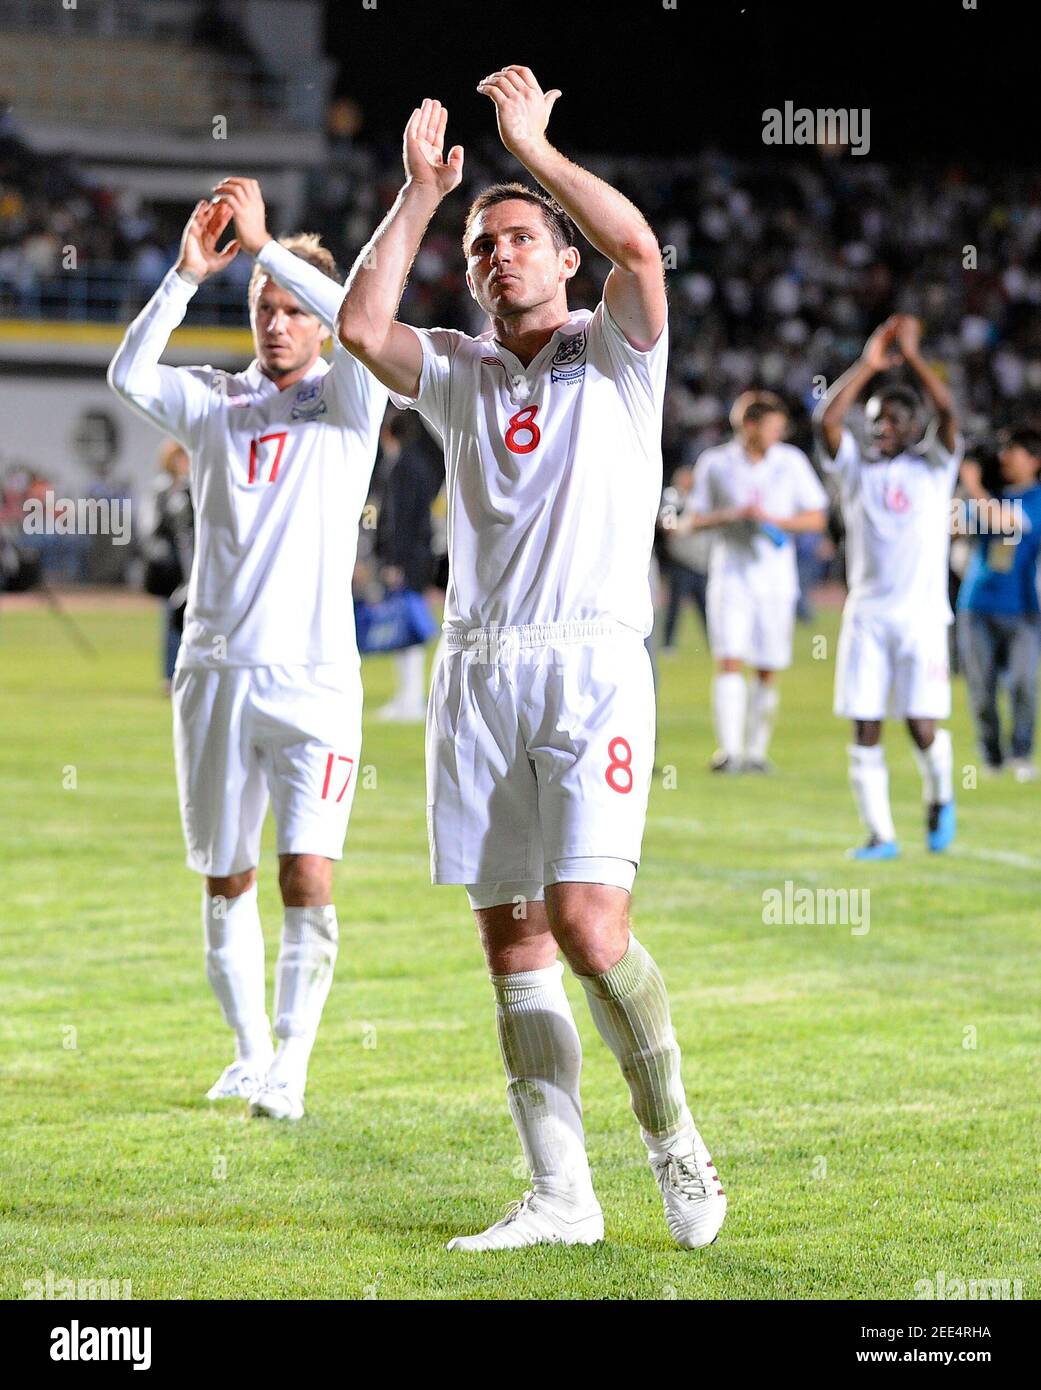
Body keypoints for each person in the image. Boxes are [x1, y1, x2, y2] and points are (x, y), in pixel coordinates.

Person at [336, 71, 726, 1252]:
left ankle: (674, 1142)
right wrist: (418, 196)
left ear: (563, 260)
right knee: (511, 942)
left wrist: (534, 153)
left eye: (521, 239)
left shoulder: (617, 354)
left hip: (593, 662)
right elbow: (359, 326)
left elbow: (643, 248)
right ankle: (563, 1194)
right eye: (484, 243)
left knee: (589, 928)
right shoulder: (456, 367)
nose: (501, 255)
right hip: (479, 668)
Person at [108, 180, 387, 1119]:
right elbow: (128, 377)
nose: (276, 323)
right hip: (215, 671)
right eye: (263, 309)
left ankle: (295, 1066)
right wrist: (186, 279)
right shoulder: (214, 404)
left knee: (307, 874)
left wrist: (273, 251)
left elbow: (356, 325)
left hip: (314, 682)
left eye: (290, 309)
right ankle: (249, 1051)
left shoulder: (351, 400)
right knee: (226, 876)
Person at [814, 315, 961, 858]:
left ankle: (941, 797)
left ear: (914, 425)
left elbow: (948, 412)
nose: (881, 428)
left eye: (893, 419)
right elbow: (827, 421)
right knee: (865, 725)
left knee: (922, 725)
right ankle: (881, 835)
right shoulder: (858, 471)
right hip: (867, 617)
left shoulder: (936, 467)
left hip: (922, 617)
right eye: (875, 420)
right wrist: (869, 365)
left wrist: (916, 359)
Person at [679, 390, 828, 771]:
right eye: (772, 427)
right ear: (750, 426)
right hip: (730, 577)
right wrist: (734, 515)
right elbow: (693, 519)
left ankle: (757, 753)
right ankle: (729, 751)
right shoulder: (715, 462)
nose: (778, 434)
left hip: (776, 581)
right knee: (729, 660)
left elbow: (816, 517)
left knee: (767, 666)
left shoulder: (791, 462)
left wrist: (774, 521)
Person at [956, 428, 1041, 780]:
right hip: (976, 605)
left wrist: (972, 484)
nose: (1005, 458)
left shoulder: (1035, 500)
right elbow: (957, 526)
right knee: (981, 689)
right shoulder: (992, 497)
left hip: (1022, 608)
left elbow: (1007, 524)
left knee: (1023, 682)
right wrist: (964, 491)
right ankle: (991, 757)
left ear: (1034, 460)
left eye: (1014, 452)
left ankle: (1021, 754)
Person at [373, 411, 444, 721]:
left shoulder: (403, 466)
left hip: (409, 559)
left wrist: (395, 560)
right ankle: (408, 697)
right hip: (417, 555)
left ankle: (410, 699)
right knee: (405, 626)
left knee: (406, 627)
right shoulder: (414, 464)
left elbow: (402, 520)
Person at [144, 439, 194, 690]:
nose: (181, 463)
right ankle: (170, 673)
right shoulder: (162, 489)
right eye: (177, 458)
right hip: (172, 566)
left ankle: (190, 671)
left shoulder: (195, 487)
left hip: (193, 562)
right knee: (172, 618)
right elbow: (154, 527)